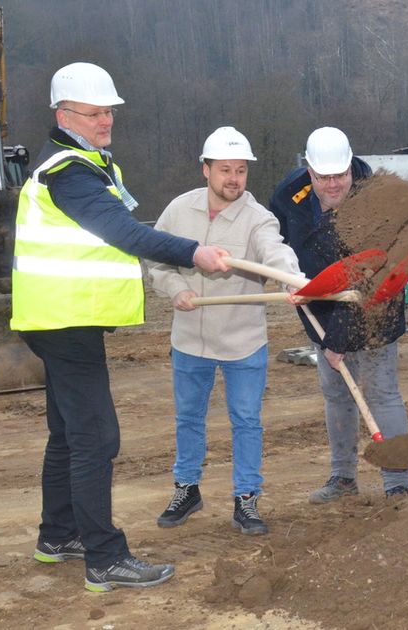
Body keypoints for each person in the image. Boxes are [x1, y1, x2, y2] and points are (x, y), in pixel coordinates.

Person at [12, 62, 230, 592]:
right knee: (96, 437)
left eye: (109, 110)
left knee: (68, 432)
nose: (106, 120)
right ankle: (105, 559)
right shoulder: (70, 171)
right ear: (65, 115)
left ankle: (59, 535)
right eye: (94, 112)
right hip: (65, 318)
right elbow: (124, 233)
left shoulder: (85, 162)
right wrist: (194, 252)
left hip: (59, 317)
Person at [148, 126, 300, 536]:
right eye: (225, 170)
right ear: (206, 170)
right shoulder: (179, 211)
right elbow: (156, 261)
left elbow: (275, 252)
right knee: (189, 418)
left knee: (247, 421)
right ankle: (186, 489)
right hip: (190, 341)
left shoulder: (258, 218)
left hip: (243, 342)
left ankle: (246, 499)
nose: (234, 179)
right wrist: (176, 289)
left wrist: (293, 280)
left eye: (241, 171)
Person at [269, 127, 408, 501]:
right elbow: (273, 243)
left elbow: (369, 280)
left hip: (374, 304)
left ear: (351, 166)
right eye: (323, 177)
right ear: (310, 171)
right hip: (319, 307)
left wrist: (337, 342)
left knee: (381, 393)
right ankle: (343, 478)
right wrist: (285, 276)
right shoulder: (288, 196)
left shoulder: (379, 198)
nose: (333, 185)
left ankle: (397, 484)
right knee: (336, 394)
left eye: (340, 176)